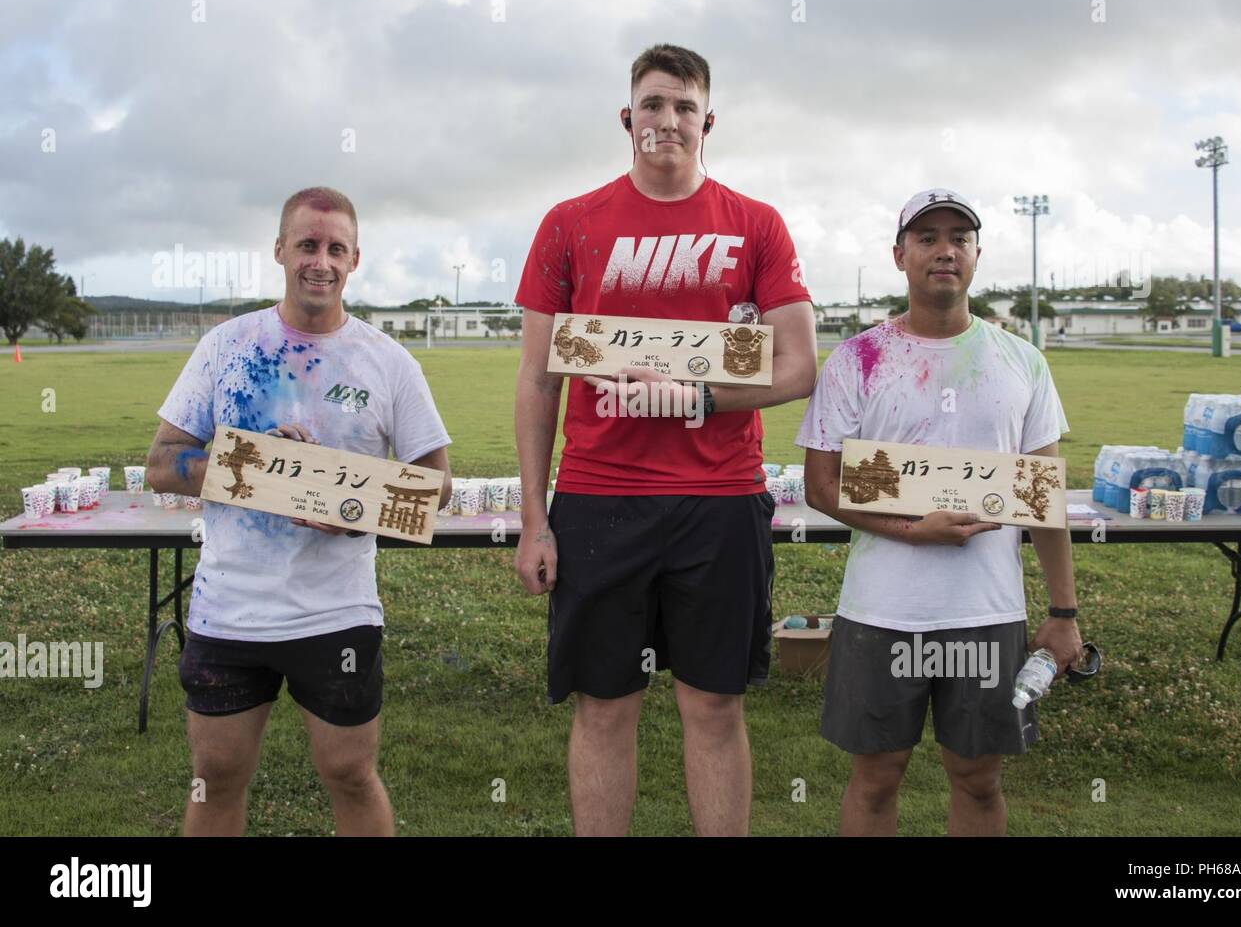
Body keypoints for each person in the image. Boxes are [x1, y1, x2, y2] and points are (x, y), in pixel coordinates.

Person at [513, 44, 817, 836]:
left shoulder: (756, 224)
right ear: (627, 119)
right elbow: (539, 380)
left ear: (707, 122)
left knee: (713, 704)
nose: (667, 120)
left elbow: (797, 365)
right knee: (605, 705)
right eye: (652, 104)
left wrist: (701, 395)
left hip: (719, 499)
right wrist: (534, 517)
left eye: (683, 106)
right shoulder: (570, 223)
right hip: (599, 497)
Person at [146, 186, 453, 836]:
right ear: (280, 249)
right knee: (216, 775)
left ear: (355, 258)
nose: (321, 261)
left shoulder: (388, 362)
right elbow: (162, 463)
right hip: (232, 608)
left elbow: (434, 486)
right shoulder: (227, 346)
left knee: (350, 774)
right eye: (308, 245)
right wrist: (256, 471)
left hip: (336, 612)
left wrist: (353, 508)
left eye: (335, 248)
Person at [797, 189, 1084, 836]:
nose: (945, 249)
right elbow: (821, 483)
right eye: (927, 237)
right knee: (874, 779)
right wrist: (911, 527)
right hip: (881, 611)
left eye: (960, 236)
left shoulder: (1022, 363)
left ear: (978, 254)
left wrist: (1063, 613)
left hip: (988, 611)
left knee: (980, 780)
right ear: (900, 255)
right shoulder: (857, 360)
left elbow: (1043, 497)